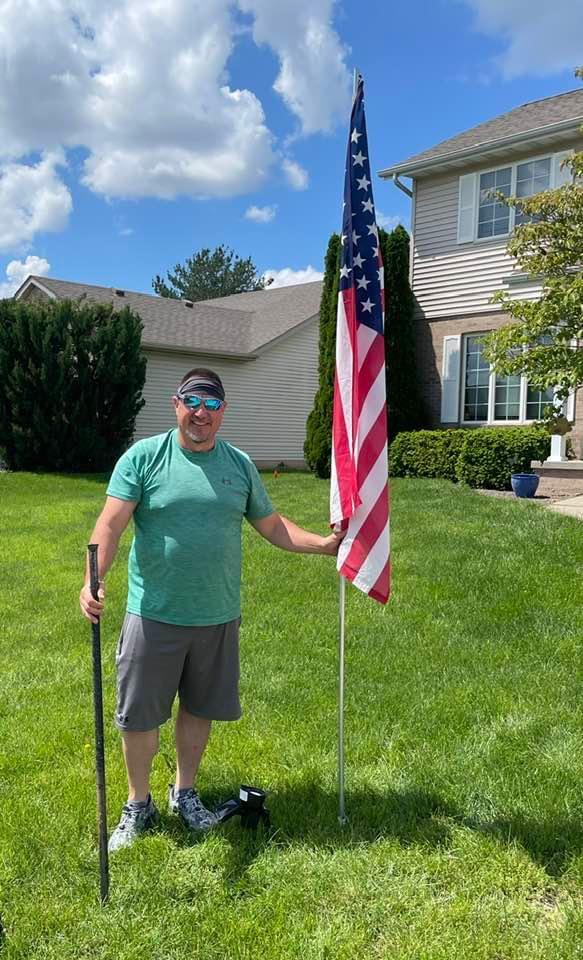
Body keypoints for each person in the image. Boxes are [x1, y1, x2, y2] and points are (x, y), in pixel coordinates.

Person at [79, 368, 343, 852]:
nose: (202, 413)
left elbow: (273, 525)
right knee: (139, 716)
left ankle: (185, 795)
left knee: (200, 709)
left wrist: (325, 546)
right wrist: (93, 579)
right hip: (153, 613)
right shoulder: (144, 458)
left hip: (217, 615)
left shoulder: (238, 465)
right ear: (176, 403)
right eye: (193, 402)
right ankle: (139, 805)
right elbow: (111, 525)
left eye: (213, 404)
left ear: (223, 412)